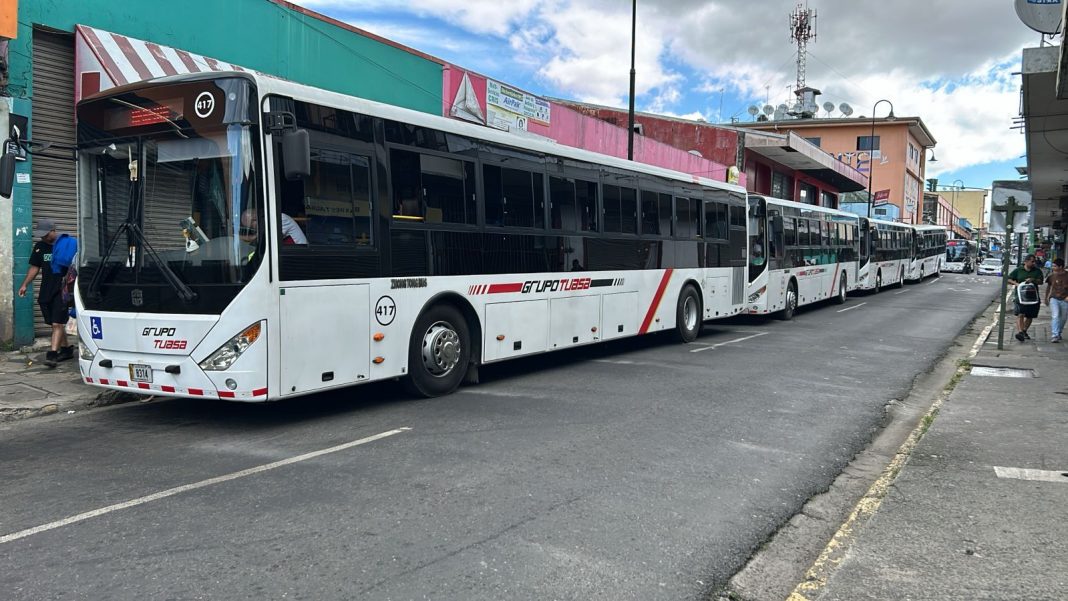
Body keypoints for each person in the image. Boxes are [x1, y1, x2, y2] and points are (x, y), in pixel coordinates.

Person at [18, 219, 76, 367]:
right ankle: (66, 350)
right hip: (46, 290)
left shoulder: (67, 244)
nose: (42, 237)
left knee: (57, 322)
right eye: (40, 235)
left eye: (45, 234)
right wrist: (25, 284)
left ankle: (52, 355)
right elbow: (34, 267)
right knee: (54, 323)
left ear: (53, 230)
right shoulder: (40, 247)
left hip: (62, 290)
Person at [1007, 254, 1045, 342]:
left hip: (1033, 297)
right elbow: (1008, 279)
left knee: (1030, 315)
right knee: (1020, 314)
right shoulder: (1018, 270)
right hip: (1020, 297)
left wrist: (1033, 280)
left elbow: (1041, 281)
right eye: (1032, 261)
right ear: (1026, 261)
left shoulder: (1037, 271)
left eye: (1034, 261)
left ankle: (1024, 331)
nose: (1033, 263)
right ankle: (1020, 332)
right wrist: (1017, 284)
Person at [240, 209, 307, 245]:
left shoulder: (279, 218)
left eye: (251, 226)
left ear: (255, 219)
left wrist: (242, 237)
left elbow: (266, 239)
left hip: (301, 255)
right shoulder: (267, 224)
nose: (254, 229)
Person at [1045, 257, 1068, 343]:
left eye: (1055, 266)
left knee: (1063, 318)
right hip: (1054, 298)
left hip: (1065, 299)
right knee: (1056, 315)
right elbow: (1048, 287)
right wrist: (1046, 298)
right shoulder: (1052, 276)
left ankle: (1059, 332)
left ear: (1061, 267)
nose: (1053, 268)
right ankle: (1055, 335)